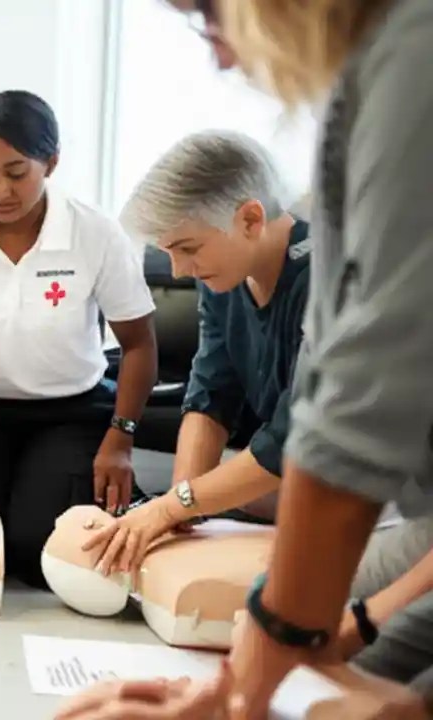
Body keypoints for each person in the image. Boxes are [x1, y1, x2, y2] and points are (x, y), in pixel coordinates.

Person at [61, 0, 433, 716]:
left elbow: (336, 430)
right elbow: (213, 390)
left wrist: (251, 677)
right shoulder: (352, 107)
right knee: (331, 687)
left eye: (207, 14)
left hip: (390, 508)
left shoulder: (409, 61)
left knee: (359, 696)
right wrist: (181, 520)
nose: (220, 58)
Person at [0, 90, 158, 590]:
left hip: (71, 410)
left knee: (35, 551)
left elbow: (139, 345)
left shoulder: (95, 233)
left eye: (16, 173)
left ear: (51, 162)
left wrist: (120, 438)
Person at [82, 130, 308, 576]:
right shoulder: (223, 282)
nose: (180, 271)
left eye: (188, 249)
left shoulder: (325, 279)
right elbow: (211, 394)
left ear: (249, 219)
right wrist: (182, 505)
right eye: (168, 253)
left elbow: (293, 438)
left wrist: (172, 507)